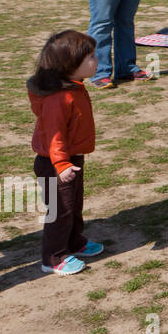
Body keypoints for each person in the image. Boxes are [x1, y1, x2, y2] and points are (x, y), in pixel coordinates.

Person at [28, 30, 107, 275]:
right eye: (91, 57)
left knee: (73, 206)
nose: (97, 59)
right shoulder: (58, 99)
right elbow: (55, 136)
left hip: (71, 159)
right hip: (55, 164)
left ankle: (74, 242)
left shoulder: (74, 86)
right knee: (59, 211)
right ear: (70, 64)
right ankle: (54, 257)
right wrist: (61, 165)